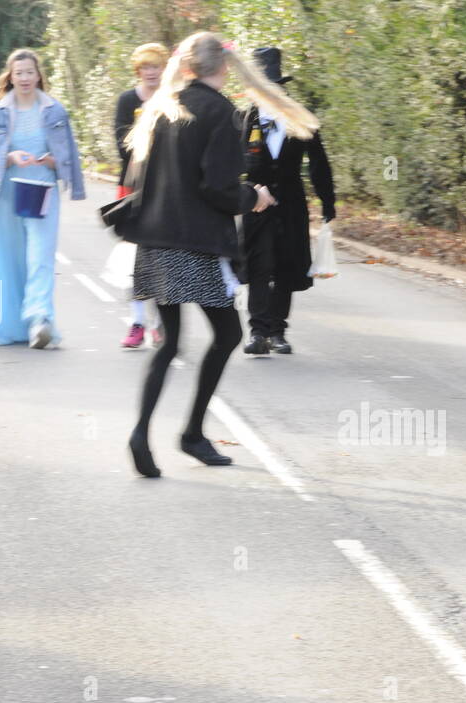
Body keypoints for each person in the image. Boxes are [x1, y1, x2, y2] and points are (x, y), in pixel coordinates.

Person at [120, 32, 318, 476]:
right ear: (223, 69)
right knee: (228, 335)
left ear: (187, 66)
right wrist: (255, 197)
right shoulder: (221, 112)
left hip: (155, 242)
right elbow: (218, 188)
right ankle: (191, 432)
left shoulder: (163, 108)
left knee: (170, 343)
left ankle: (142, 433)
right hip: (195, 245)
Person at [0, 49, 85, 347]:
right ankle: (12, 322)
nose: (24, 78)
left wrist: (52, 162)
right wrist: (8, 157)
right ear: (10, 76)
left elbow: (68, 155)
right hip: (7, 191)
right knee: (7, 257)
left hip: (42, 190)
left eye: (29, 72)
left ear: (38, 75)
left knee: (40, 255)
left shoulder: (55, 110)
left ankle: (39, 319)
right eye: (18, 73)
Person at [240, 47, 337, 356]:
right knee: (259, 265)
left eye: (275, 87)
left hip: (291, 202)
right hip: (255, 202)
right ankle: (257, 331)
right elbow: (228, 163)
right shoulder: (243, 118)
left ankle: (278, 330)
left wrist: (328, 204)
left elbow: (320, 162)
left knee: (285, 264)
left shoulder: (301, 118)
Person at [115, 42, 166, 350]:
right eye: (145, 67)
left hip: (165, 189)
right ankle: (137, 322)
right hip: (133, 188)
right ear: (138, 70)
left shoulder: (173, 100)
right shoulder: (126, 100)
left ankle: (159, 322)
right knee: (134, 259)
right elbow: (122, 146)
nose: (150, 72)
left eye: (155, 66)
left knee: (161, 256)